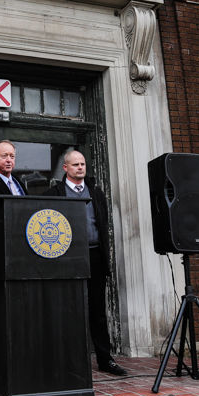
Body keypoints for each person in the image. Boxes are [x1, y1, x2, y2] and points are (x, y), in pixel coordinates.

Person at [45, 150, 128, 376]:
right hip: (68, 259)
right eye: (75, 165)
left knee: (98, 312)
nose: (80, 168)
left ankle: (105, 360)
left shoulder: (96, 193)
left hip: (94, 257)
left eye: (82, 164)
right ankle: (69, 360)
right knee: (69, 310)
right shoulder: (55, 194)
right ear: (66, 168)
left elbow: (103, 227)